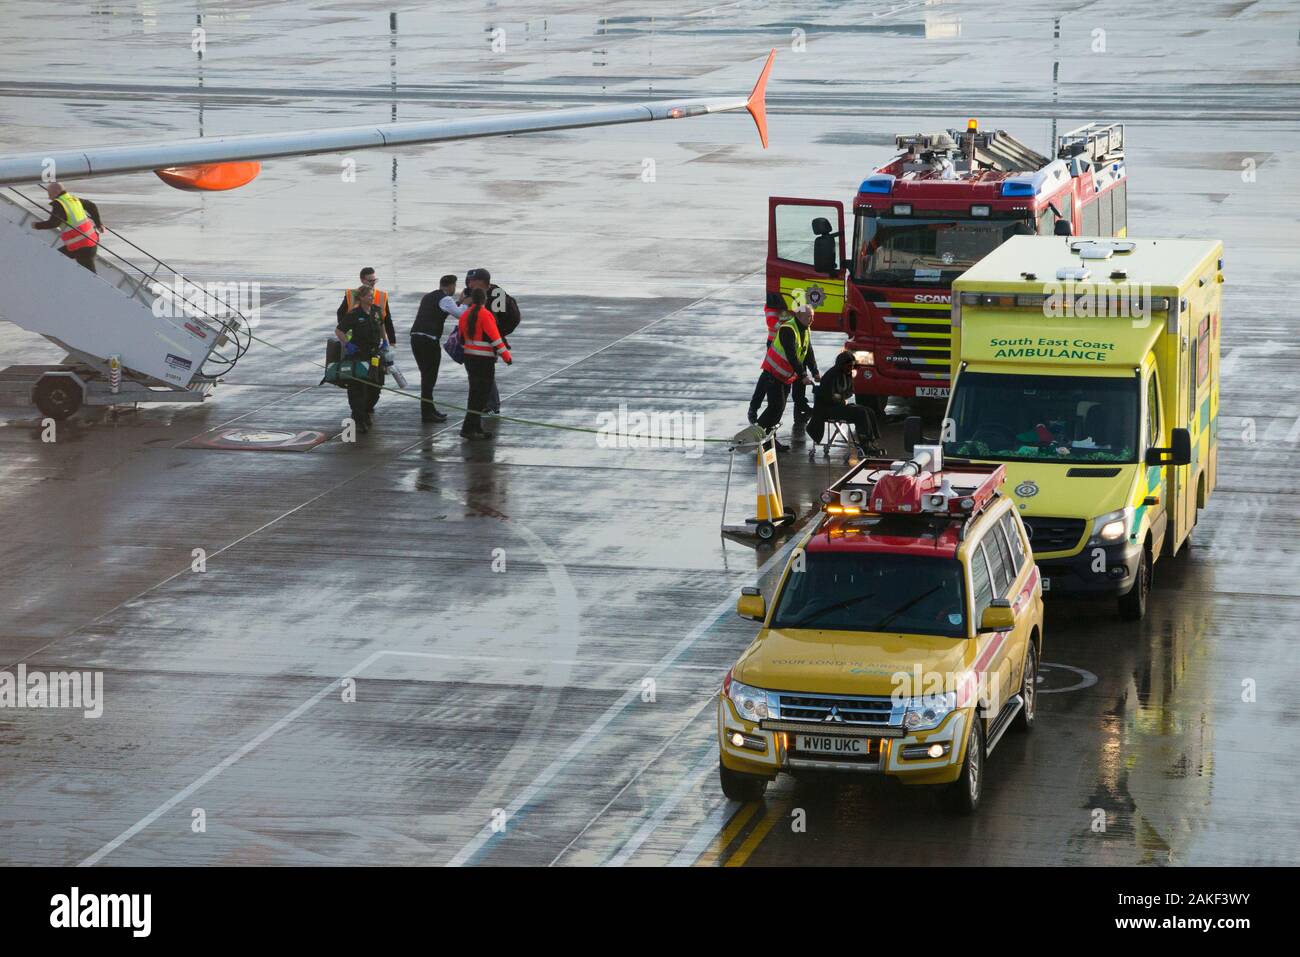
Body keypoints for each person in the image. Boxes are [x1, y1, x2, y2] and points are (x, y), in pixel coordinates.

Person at [754, 305, 818, 450]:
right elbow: (792, 356)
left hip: (785, 376)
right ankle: (759, 433)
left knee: (778, 409)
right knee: (775, 407)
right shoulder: (788, 329)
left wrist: (815, 371)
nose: (812, 320)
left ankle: (768, 439)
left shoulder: (804, 328)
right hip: (774, 374)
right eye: (809, 317)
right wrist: (803, 376)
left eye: (813, 316)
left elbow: (808, 351)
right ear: (800, 316)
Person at [335, 285, 390, 433]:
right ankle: (359, 418)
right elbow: (339, 331)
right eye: (369, 296)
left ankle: (365, 411)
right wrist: (347, 344)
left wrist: (385, 341)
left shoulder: (376, 311)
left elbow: (382, 325)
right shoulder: (354, 314)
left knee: (376, 386)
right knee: (358, 389)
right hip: (359, 355)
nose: (372, 297)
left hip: (374, 355)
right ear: (362, 298)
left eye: (372, 295)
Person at [459, 287, 512, 440]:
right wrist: (506, 357)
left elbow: (461, 338)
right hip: (484, 360)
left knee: (474, 394)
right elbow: (496, 339)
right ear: (485, 300)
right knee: (481, 396)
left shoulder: (465, 314)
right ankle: (468, 428)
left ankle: (476, 427)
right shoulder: (485, 315)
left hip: (469, 359)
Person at [805, 350, 882, 455]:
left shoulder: (848, 374)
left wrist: (840, 396)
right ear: (842, 365)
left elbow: (850, 392)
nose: (851, 368)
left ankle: (872, 441)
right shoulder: (831, 376)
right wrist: (841, 397)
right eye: (849, 366)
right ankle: (865, 445)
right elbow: (829, 398)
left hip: (839, 405)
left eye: (852, 366)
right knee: (860, 413)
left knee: (869, 411)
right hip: (828, 409)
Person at [465, 268, 520, 414]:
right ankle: (486, 404)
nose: (469, 284)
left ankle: (491, 405)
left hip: (491, 338)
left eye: (472, 281)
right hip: (485, 339)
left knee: (486, 375)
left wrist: (497, 338)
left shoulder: (497, 294)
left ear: (481, 281)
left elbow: (497, 320)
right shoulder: (476, 293)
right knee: (482, 374)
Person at [410, 274, 463, 423]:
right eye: (455, 286)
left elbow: (445, 308)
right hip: (429, 340)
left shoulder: (429, 296)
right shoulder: (446, 299)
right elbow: (461, 314)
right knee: (430, 376)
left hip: (416, 338)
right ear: (451, 286)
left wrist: (458, 302)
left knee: (426, 375)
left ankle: (429, 409)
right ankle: (427, 412)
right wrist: (466, 303)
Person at [31, 181, 102, 272]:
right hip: (90, 242)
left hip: (81, 246)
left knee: (91, 276)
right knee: (56, 257)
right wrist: (98, 224)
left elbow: (54, 223)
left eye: (49, 193)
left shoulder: (59, 203)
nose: (48, 197)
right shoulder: (73, 199)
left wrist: (37, 225)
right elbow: (91, 206)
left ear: (56, 192)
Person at [747, 292, 786, 424]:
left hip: (787, 343)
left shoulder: (791, 300)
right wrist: (788, 329)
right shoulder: (773, 302)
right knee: (767, 375)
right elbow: (771, 322)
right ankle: (754, 407)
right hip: (775, 344)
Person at [338, 267, 397, 347]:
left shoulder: (382, 296)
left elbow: (386, 319)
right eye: (370, 281)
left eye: (374, 280)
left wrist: (391, 341)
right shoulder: (351, 295)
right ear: (362, 280)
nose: (373, 283)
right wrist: (346, 334)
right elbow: (340, 313)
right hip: (353, 341)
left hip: (374, 341)